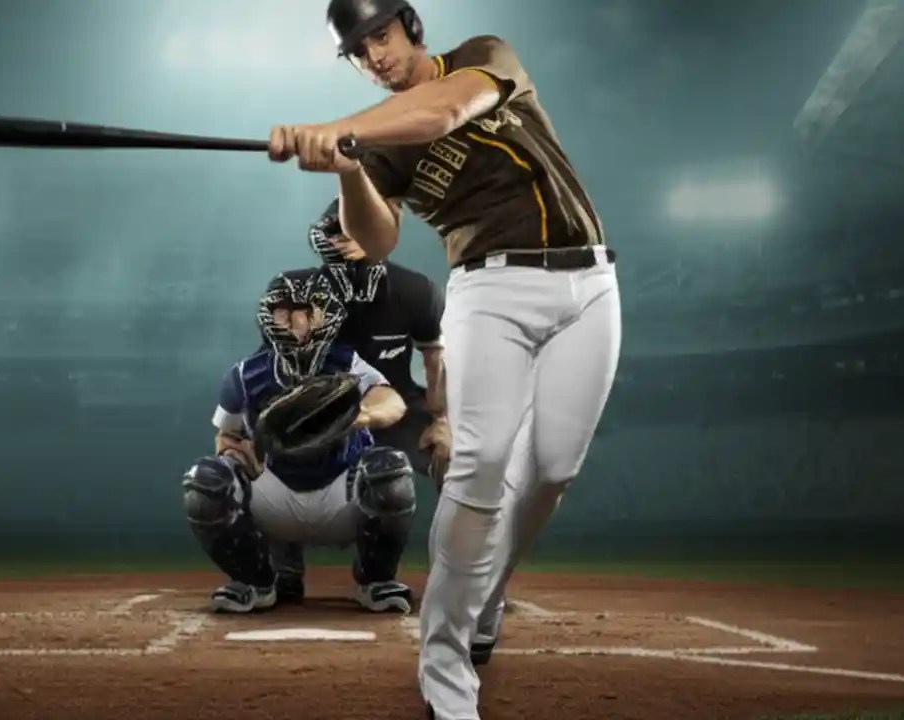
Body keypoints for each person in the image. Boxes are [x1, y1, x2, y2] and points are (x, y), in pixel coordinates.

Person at [266, 2, 623, 717]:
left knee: (554, 467)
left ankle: (486, 601)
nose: (375, 57)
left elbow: (445, 110)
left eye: (381, 37)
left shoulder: (483, 57)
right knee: (483, 462)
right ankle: (446, 667)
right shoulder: (380, 140)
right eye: (360, 52)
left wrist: (342, 128)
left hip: (591, 285)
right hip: (490, 290)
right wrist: (345, 168)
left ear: (410, 27)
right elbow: (379, 238)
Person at [182, 268, 418, 614]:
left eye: (306, 310)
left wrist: (352, 416)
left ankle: (375, 579)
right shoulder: (246, 375)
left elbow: (392, 402)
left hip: (342, 491)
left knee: (391, 472)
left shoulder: (346, 363)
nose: (294, 320)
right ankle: (258, 581)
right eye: (283, 311)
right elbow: (226, 433)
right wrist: (236, 453)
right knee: (205, 482)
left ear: (326, 316)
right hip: (276, 492)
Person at [270, 199, 451, 604]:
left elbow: (436, 361)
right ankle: (282, 571)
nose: (347, 242)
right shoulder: (294, 289)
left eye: (357, 230)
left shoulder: (416, 290)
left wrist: (443, 420)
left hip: (398, 406)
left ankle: (458, 575)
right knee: (268, 436)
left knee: (458, 458)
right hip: (317, 408)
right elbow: (274, 365)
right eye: (338, 231)